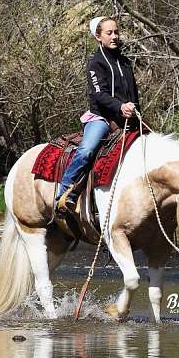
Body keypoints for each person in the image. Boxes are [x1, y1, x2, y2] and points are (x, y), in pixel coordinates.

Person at [55, 15, 140, 215]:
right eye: (109, 33)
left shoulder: (125, 62)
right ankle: (64, 195)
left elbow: (133, 93)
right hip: (101, 118)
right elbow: (99, 95)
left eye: (116, 32)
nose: (114, 36)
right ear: (98, 36)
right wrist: (120, 107)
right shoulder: (95, 62)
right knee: (86, 150)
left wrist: (135, 111)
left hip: (128, 118)